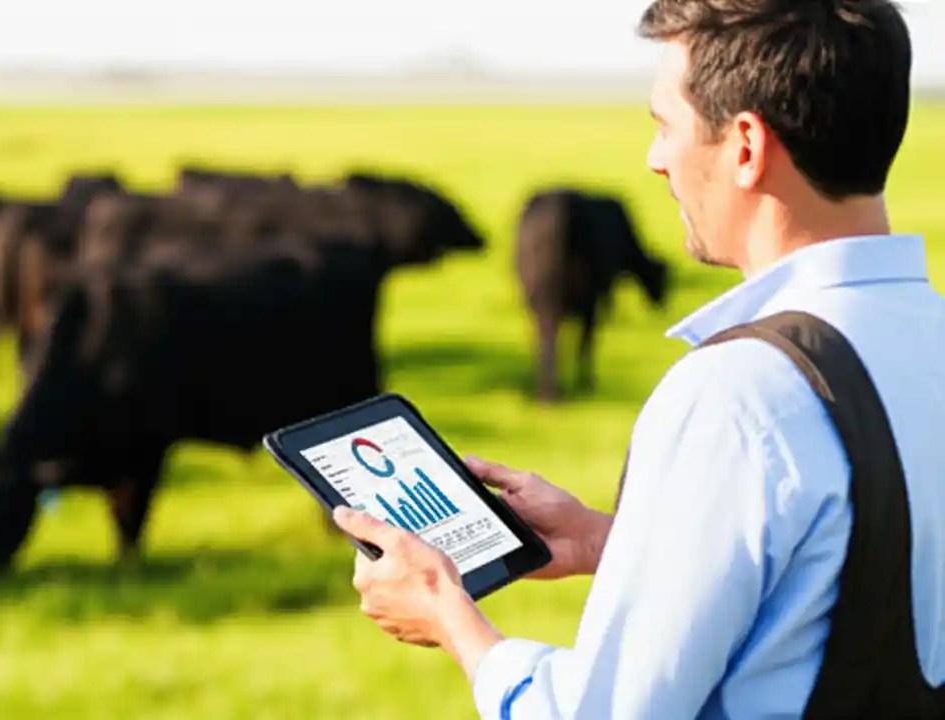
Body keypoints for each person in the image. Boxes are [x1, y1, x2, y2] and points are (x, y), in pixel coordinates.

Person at [332, 0, 945, 717]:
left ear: (745, 145)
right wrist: (615, 544)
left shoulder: (741, 396)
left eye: (666, 125)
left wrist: (448, 615)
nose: (656, 159)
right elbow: (868, 568)